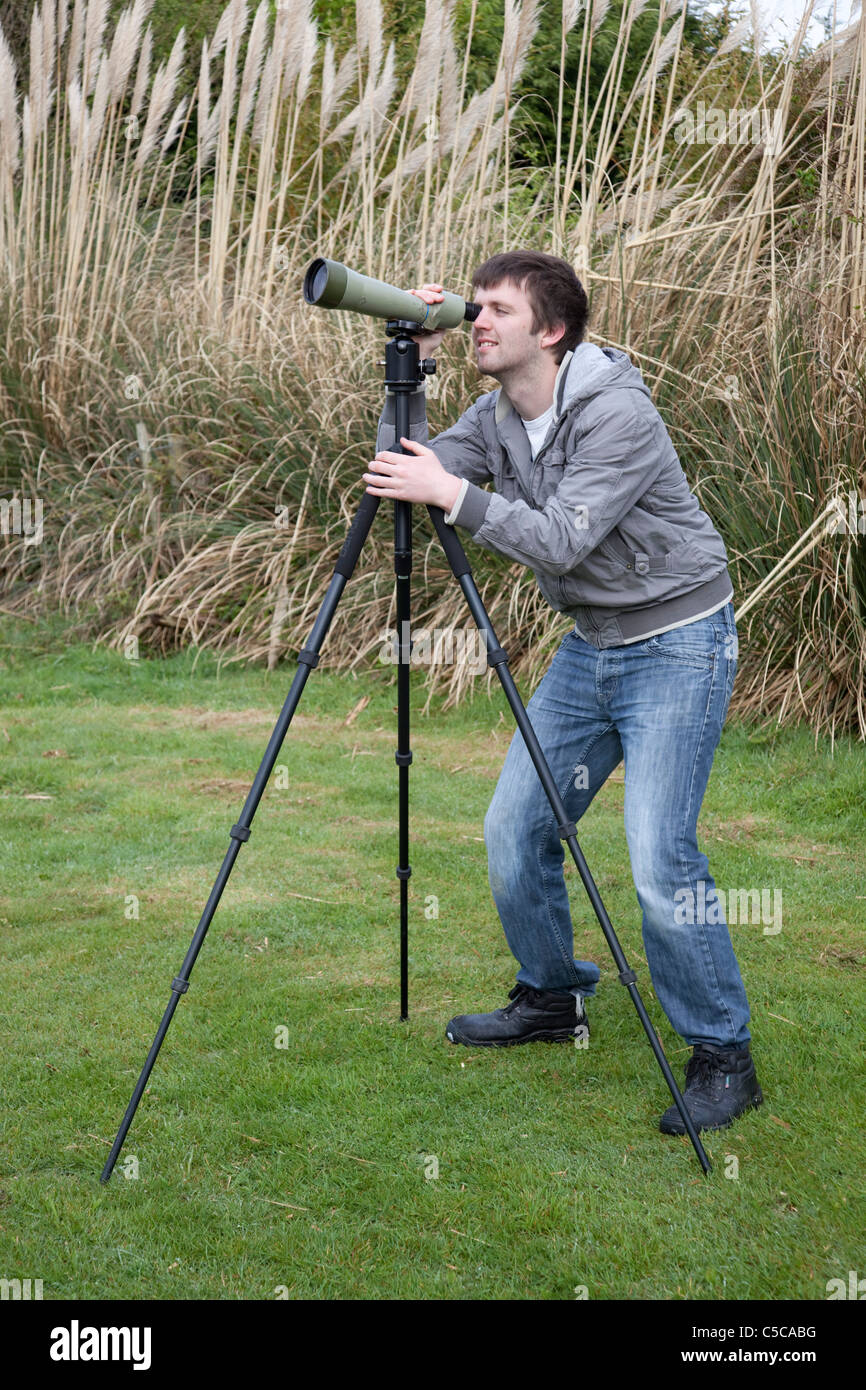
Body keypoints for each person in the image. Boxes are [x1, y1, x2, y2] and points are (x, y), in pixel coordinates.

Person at [363, 250, 762, 1135]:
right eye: (475, 309)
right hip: (594, 645)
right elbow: (405, 469)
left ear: (551, 330)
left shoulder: (616, 410)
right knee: (515, 826)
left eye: (498, 311)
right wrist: (415, 367)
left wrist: (456, 494)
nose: (480, 322)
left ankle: (724, 1056)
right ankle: (552, 998)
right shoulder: (499, 409)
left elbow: (561, 540)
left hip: (678, 642)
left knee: (660, 856)